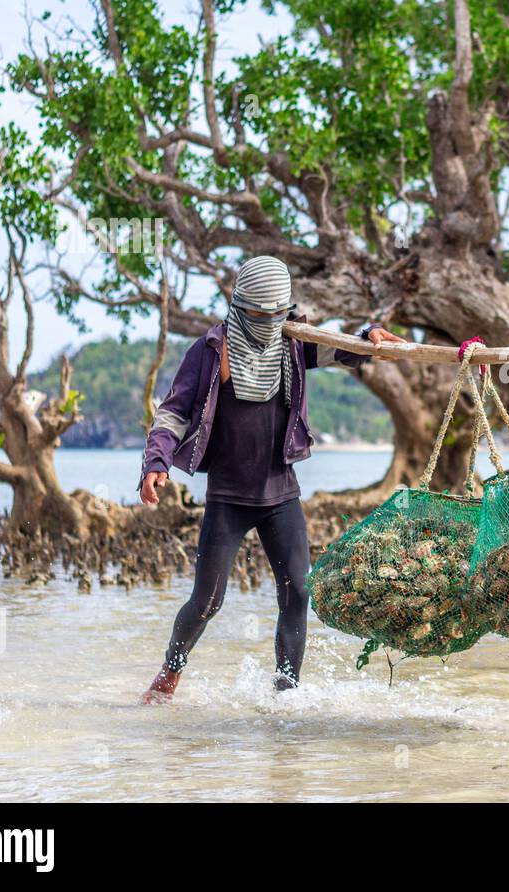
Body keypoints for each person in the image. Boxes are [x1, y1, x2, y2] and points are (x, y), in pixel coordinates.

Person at [136, 255, 405, 703]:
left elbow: (343, 347)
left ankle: (286, 692)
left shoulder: (294, 342)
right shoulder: (210, 351)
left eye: (278, 314)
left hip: (281, 494)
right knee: (207, 601)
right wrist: (156, 463)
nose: (270, 323)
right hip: (228, 495)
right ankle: (170, 672)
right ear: (241, 308)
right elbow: (173, 412)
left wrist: (368, 337)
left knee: (298, 592)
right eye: (261, 316)